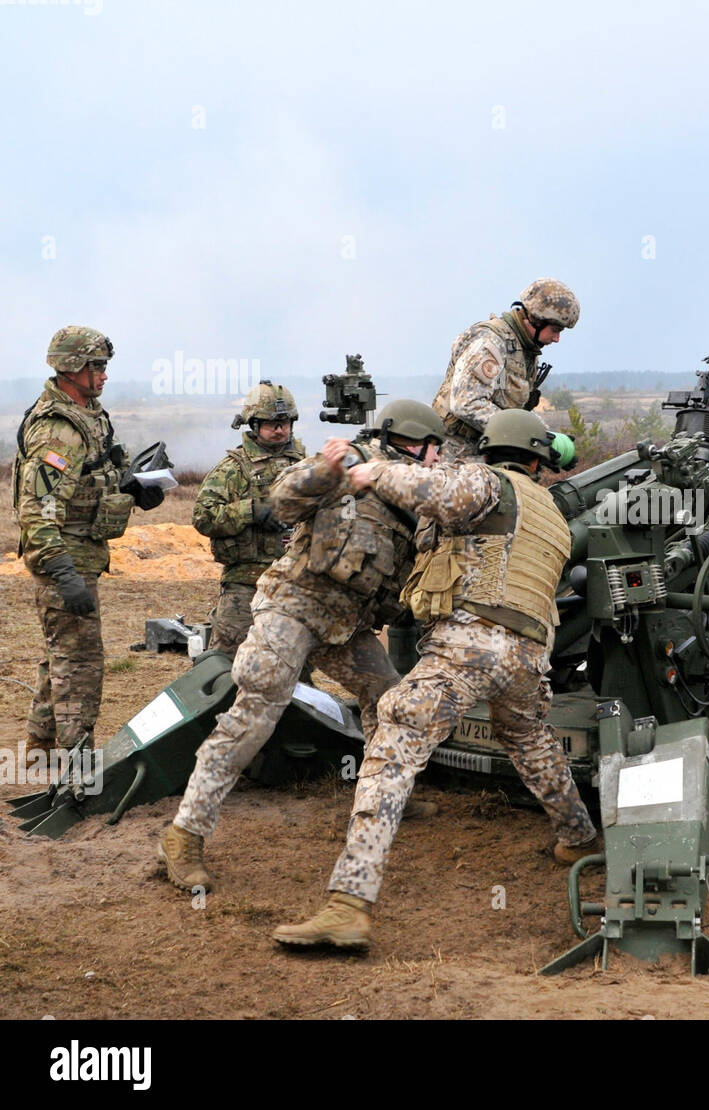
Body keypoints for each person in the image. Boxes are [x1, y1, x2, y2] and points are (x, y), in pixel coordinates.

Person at [273, 409, 596, 949]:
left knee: (396, 732)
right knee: (530, 739)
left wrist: (372, 473)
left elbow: (444, 498)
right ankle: (579, 838)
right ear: (540, 459)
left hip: (470, 644)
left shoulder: (487, 480)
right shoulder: (550, 515)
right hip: (529, 653)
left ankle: (348, 905)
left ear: (492, 451)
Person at [157, 400, 446, 892]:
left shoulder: (415, 496)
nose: (440, 460)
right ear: (417, 444)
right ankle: (184, 835)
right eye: (436, 449)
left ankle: (384, 793)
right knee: (256, 711)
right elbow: (284, 499)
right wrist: (326, 469)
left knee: (389, 698)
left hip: (345, 624)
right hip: (292, 605)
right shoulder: (344, 464)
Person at [12, 326, 162, 754]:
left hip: (82, 557)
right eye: (97, 366)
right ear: (71, 368)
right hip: (65, 561)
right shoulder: (58, 431)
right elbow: (36, 513)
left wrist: (136, 488)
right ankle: (77, 761)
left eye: (104, 366)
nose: (104, 375)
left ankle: (40, 750)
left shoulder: (90, 416)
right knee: (80, 664)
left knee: (58, 655)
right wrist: (63, 574)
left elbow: (100, 473)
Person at [192, 382, 305, 655]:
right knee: (225, 660)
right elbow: (203, 516)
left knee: (293, 661)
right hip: (246, 583)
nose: (280, 429)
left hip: (295, 580)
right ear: (253, 424)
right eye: (271, 423)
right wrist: (251, 512)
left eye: (285, 422)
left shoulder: (304, 464)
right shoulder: (233, 469)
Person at [432, 277, 579, 461]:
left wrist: (546, 437)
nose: (557, 338)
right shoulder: (490, 343)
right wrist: (529, 436)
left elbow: (513, 408)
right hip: (453, 455)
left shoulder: (524, 350)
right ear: (535, 319)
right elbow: (467, 403)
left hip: (484, 453)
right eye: (555, 329)